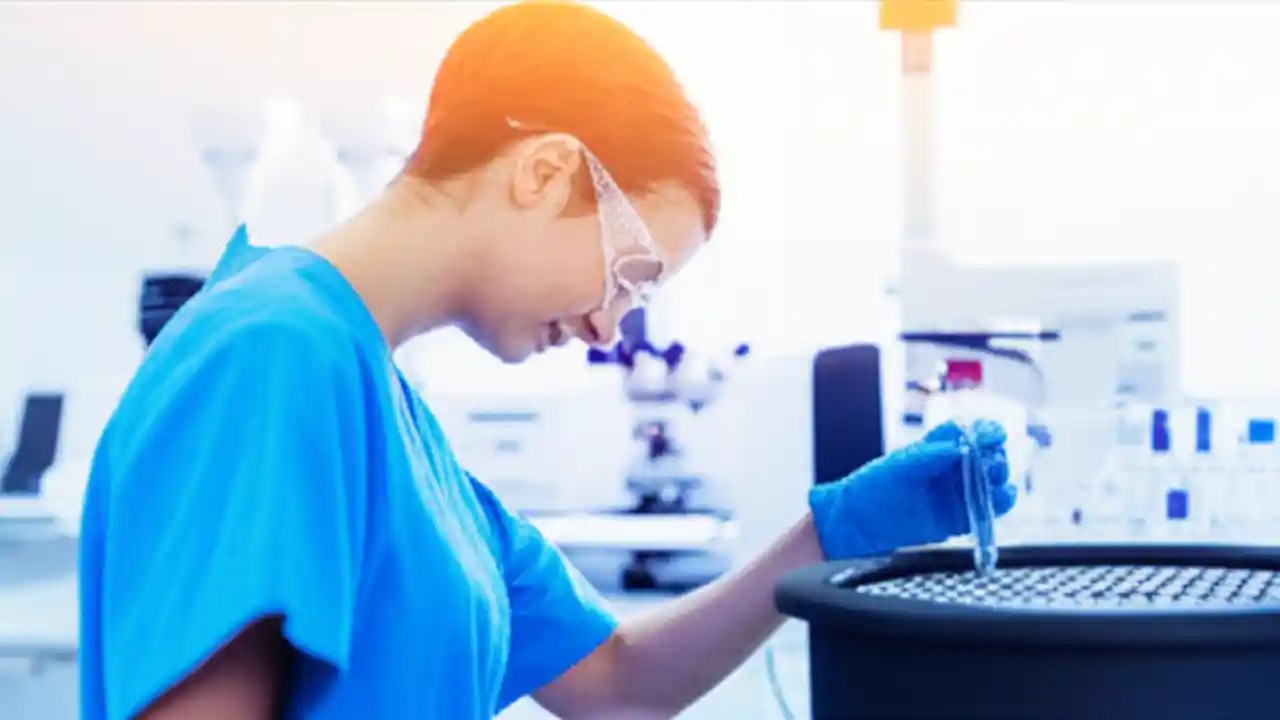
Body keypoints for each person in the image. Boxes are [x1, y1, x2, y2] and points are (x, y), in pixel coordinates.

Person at [77, 2, 1017, 718]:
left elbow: (617, 684)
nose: (613, 327)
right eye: (632, 272)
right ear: (545, 171)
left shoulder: (394, 418)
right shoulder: (271, 355)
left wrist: (834, 535)